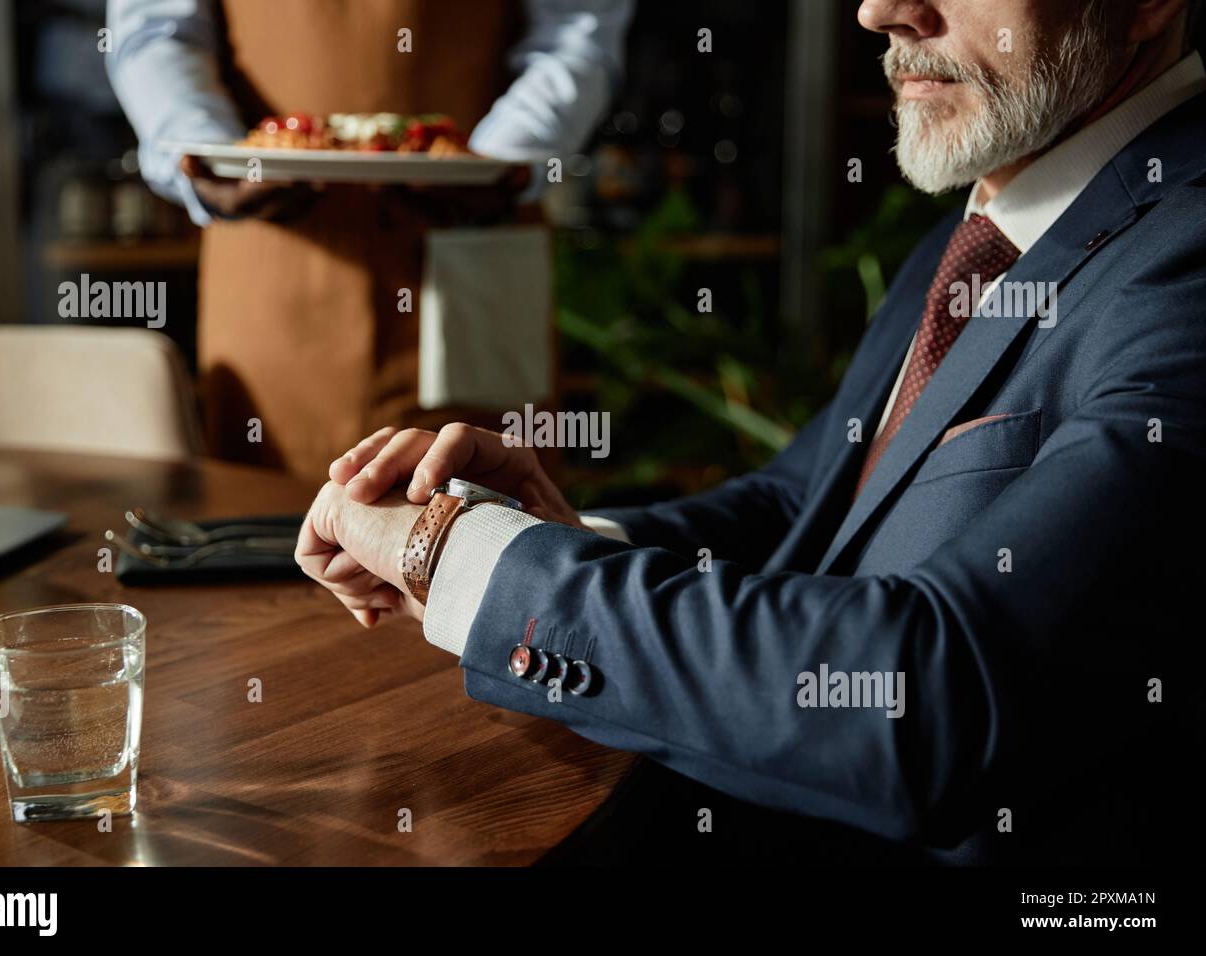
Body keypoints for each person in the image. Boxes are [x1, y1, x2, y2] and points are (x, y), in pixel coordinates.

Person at [296, 0, 1206, 864]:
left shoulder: (1184, 257)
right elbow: (799, 506)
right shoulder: (979, 235)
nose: (879, 11)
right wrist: (556, 539)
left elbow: (934, 692)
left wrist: (467, 562)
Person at [106, 0, 632, 477]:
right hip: (272, 259)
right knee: (263, 529)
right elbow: (156, 32)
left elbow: (576, 31)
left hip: (475, 254)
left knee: (487, 529)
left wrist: (498, 160)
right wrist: (210, 155)